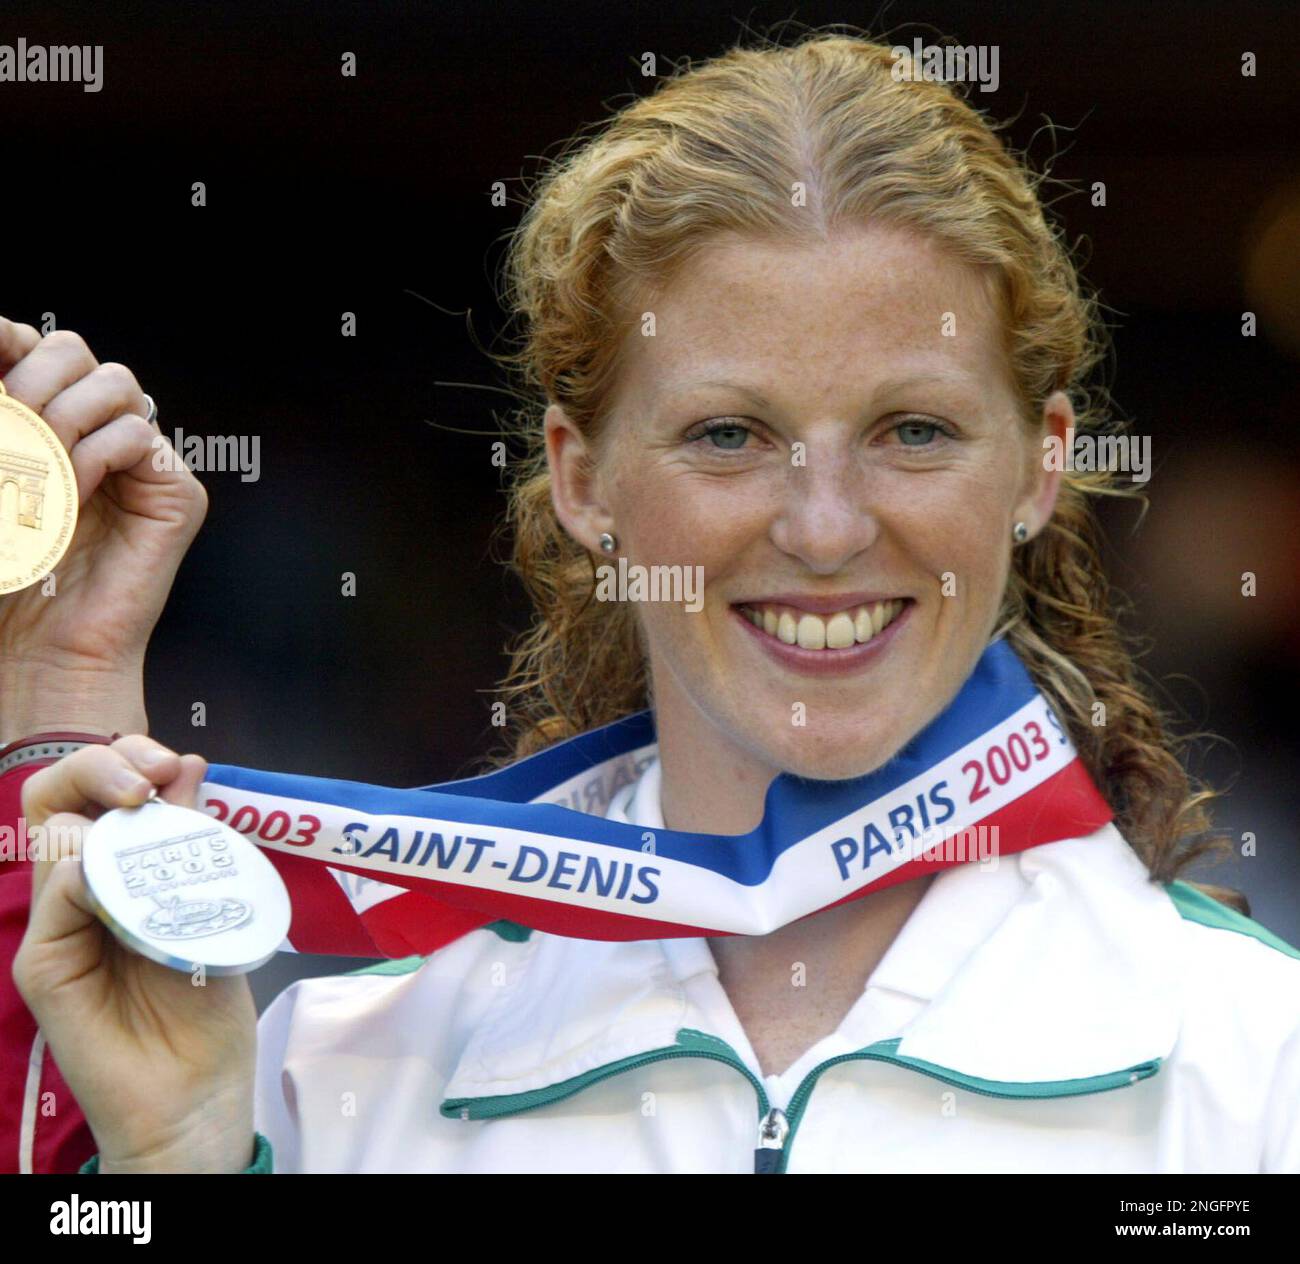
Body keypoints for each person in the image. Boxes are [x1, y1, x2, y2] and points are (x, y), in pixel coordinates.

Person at [4, 31, 1299, 1175]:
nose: (828, 527)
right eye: (731, 434)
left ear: (1040, 465)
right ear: (582, 480)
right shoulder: (334, 1078)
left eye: (913, 429)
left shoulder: (1257, 1066)